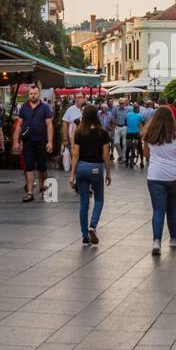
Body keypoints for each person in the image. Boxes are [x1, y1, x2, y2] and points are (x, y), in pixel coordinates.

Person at [142, 105, 176, 256]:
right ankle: (173, 239)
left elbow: (146, 154)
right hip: (174, 175)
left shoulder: (149, 134)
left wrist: (156, 159)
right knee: (171, 208)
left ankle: (156, 241)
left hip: (155, 176)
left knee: (158, 210)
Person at [68, 103, 112, 245]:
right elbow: (106, 155)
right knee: (99, 199)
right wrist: (108, 173)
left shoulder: (79, 132)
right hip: (96, 168)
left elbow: (75, 154)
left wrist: (72, 174)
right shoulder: (103, 133)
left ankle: (84, 235)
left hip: (81, 167)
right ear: (96, 116)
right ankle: (92, 225)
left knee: (84, 202)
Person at [14, 84, 53, 201]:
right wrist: (16, 141)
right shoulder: (24, 108)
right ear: (28, 94)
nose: (33, 96)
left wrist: (50, 142)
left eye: (35, 94)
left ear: (39, 94)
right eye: (31, 94)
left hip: (41, 141)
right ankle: (30, 192)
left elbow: (49, 125)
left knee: (42, 167)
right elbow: (19, 125)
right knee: (29, 167)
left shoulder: (45, 108)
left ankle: (43, 185)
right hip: (28, 142)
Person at [61, 91, 87, 171]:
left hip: (86, 141)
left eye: (79, 97)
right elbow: (65, 124)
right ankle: (75, 174)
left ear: (84, 99)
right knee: (75, 159)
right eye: (76, 97)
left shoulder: (88, 109)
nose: (77, 99)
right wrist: (65, 139)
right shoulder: (70, 110)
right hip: (74, 141)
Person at [124, 102, 143, 167]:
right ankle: (142, 162)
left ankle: (126, 161)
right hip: (136, 134)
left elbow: (125, 122)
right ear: (138, 110)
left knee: (128, 148)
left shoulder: (128, 114)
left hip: (129, 133)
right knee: (140, 147)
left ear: (133, 109)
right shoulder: (140, 115)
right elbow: (142, 123)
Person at [112, 98, 129, 164]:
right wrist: (114, 125)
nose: (121, 105)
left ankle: (124, 158)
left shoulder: (127, 110)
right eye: (120, 103)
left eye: (122, 103)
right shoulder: (116, 109)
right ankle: (121, 155)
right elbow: (113, 118)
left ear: (125, 104)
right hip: (117, 127)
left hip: (124, 127)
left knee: (124, 144)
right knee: (116, 142)